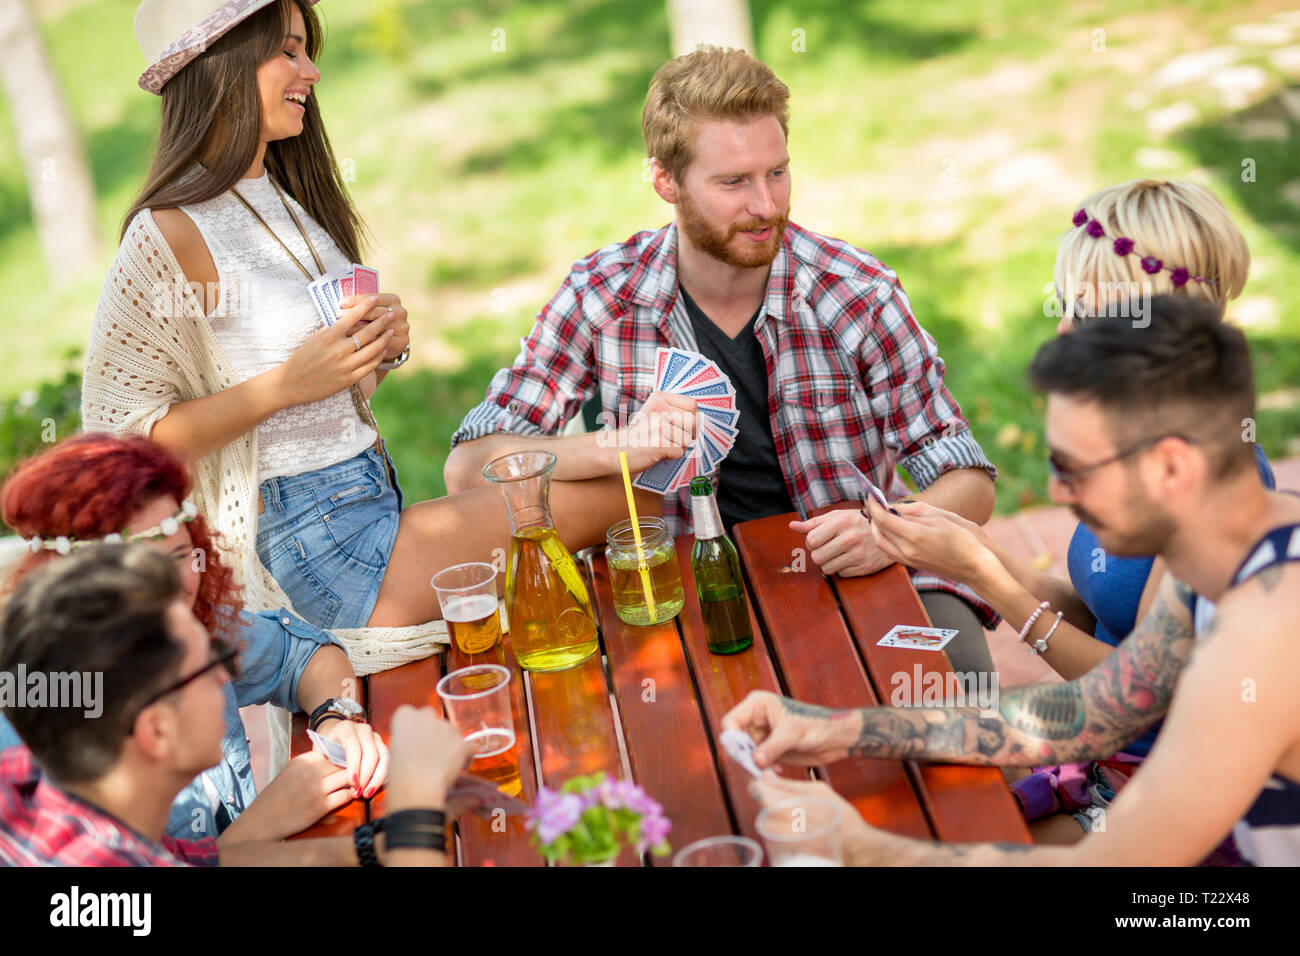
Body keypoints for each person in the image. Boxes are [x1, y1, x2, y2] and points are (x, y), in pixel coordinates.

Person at [82, 0, 656, 667]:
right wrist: (285, 386)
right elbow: (122, 441)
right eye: (289, 51)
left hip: (366, 505)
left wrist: (378, 350)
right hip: (311, 545)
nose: (313, 72)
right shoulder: (172, 230)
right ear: (223, 65)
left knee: (606, 510)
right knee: (634, 499)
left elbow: (326, 395)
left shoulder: (283, 195)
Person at [444, 46, 1000, 677]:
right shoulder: (603, 295)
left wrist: (887, 531)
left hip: (858, 570)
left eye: (777, 173)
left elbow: (969, 480)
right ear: (665, 181)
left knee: (962, 695)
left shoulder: (857, 293)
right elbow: (468, 467)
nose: (765, 206)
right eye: (733, 182)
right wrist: (618, 446)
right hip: (673, 591)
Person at [725, 296, 1300, 866]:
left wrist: (861, 847)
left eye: (1075, 469)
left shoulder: (1263, 637)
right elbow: (1095, 711)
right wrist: (838, 729)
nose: (1056, 494)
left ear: (1170, 467)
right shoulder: (1231, 555)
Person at [854, 180, 1272, 845]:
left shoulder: (1207, 486)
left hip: (1176, 795)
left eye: (1087, 312)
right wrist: (979, 552)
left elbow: (1127, 702)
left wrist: (987, 581)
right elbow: (1103, 613)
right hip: (1110, 766)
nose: (1063, 329)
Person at [0, 432, 383, 844]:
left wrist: (337, 717)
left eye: (182, 555)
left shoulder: (189, 626)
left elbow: (301, 655)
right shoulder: (36, 727)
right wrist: (257, 827)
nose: (179, 582)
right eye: (145, 566)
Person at [0, 544, 472, 866]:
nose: (230, 676)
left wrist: (371, 845)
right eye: (211, 664)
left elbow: (210, 861)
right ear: (156, 731)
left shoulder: (56, 800)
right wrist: (418, 814)